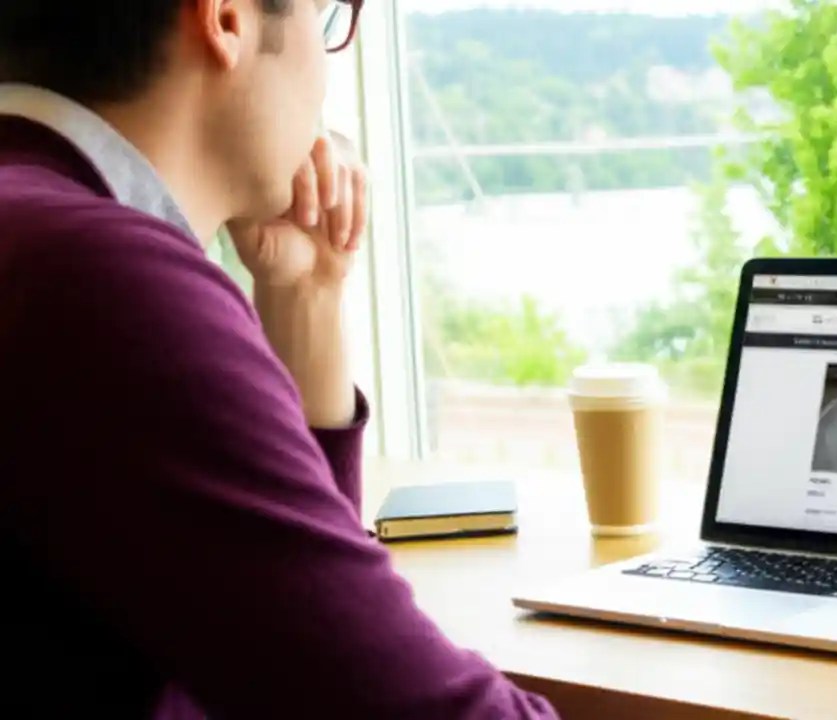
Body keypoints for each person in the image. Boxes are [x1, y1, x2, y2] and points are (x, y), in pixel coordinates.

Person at [0, 1, 556, 717]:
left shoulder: (33, 230)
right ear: (228, 18)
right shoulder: (103, 276)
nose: (328, 68)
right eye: (328, 20)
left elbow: (280, 625)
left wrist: (305, 295)